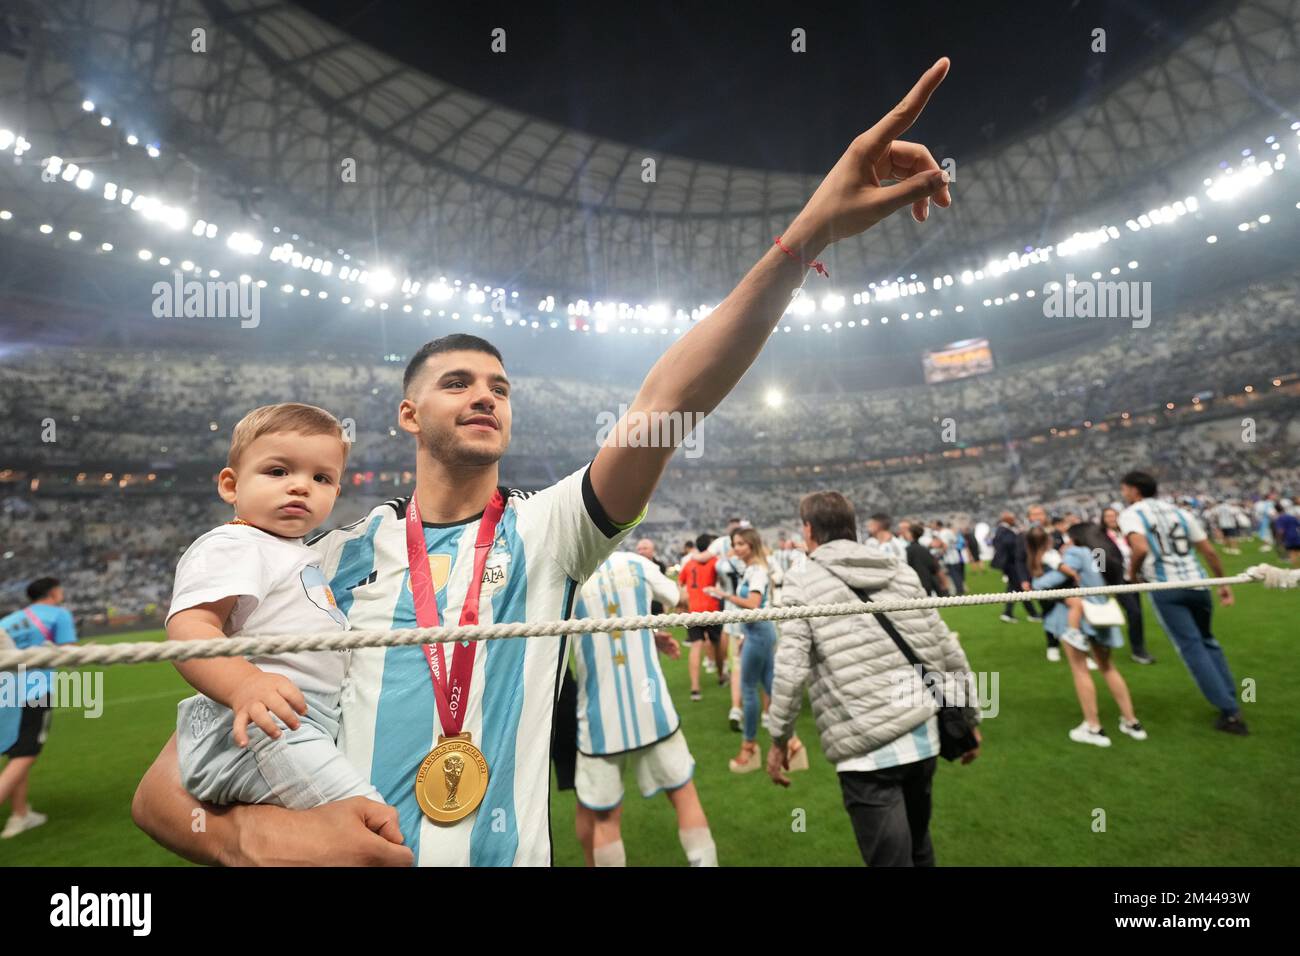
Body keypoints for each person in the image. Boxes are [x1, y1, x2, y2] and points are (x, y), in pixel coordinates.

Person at [130, 56, 957, 865]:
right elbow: (161, 792)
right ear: (409, 415)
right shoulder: (324, 562)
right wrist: (252, 840)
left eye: (499, 385)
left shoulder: (549, 530)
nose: (485, 395)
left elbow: (665, 407)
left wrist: (807, 233)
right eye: (457, 382)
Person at [165, 403, 385, 812]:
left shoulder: (298, 554)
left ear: (335, 494)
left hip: (301, 721)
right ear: (231, 485)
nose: (301, 486)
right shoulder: (233, 544)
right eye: (278, 471)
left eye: (321, 478)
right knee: (369, 821)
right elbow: (191, 627)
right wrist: (243, 684)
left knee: (340, 834)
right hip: (263, 725)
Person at [766, 491, 981, 867]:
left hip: (866, 750)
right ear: (852, 525)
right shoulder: (897, 568)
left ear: (808, 529)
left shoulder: (799, 580)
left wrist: (778, 737)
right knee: (919, 847)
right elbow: (947, 647)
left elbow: (790, 667)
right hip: (923, 737)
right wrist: (970, 717)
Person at [569, 551, 717, 866]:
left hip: (599, 722)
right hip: (653, 711)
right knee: (684, 796)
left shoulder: (571, 572)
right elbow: (682, 600)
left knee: (606, 820)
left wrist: (646, 633)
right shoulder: (636, 565)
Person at [1118, 471, 1248, 736]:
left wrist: (1132, 576)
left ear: (1134, 490)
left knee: (1191, 646)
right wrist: (1223, 583)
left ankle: (1230, 712)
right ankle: (1229, 694)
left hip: (1167, 588)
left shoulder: (1132, 513)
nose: (1123, 494)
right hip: (1199, 584)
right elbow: (1209, 550)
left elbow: (1140, 548)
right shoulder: (1180, 512)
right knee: (1208, 639)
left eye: (1124, 489)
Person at [1027, 525, 1147, 748]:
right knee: (1108, 667)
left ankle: (1093, 727)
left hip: (1080, 619)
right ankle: (1131, 722)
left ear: (1075, 538)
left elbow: (1047, 583)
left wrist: (1035, 582)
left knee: (1080, 670)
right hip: (1101, 614)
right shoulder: (1099, 555)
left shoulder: (1075, 553)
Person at [706, 527, 808, 775]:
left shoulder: (758, 571)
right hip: (757, 632)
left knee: (748, 689)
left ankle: (750, 747)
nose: (736, 547)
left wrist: (724, 595)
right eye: (734, 543)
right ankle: (793, 744)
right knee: (770, 687)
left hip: (759, 632)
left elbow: (753, 604)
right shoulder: (753, 569)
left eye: (741, 543)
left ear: (751, 545)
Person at [0, 577, 78, 838]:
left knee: (16, 750)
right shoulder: (58, 614)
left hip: (4, 690)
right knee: (27, 754)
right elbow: (70, 654)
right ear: (54, 593)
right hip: (34, 690)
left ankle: (20, 815)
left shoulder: (11, 620)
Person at [677, 532, 727, 701]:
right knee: (717, 643)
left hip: (693, 610)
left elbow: (680, 583)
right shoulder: (715, 561)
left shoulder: (689, 563)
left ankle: (695, 688)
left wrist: (683, 603)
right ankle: (721, 676)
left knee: (696, 645)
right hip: (711, 608)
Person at [1102, 506, 1154, 664]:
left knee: (1137, 614)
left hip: (1132, 579)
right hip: (1116, 581)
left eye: (1114, 516)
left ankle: (1138, 646)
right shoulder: (1100, 537)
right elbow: (1098, 562)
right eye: (1108, 517)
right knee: (1134, 612)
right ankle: (1138, 650)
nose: (1112, 519)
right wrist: (1103, 582)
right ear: (1103, 520)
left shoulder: (1125, 535)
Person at [991, 512, 1040, 623]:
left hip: (1011, 564)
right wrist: (1019, 537)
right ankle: (1029, 613)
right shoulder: (1003, 531)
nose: (1014, 520)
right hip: (1011, 565)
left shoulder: (1004, 530)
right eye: (1012, 518)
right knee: (1020, 587)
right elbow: (1008, 545)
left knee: (1016, 588)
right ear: (1007, 519)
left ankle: (1015, 613)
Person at [901, 521, 949, 596]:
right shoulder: (924, 549)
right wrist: (944, 585)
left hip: (916, 584)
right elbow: (935, 567)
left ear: (911, 534)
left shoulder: (908, 550)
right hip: (927, 583)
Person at [1271, 502, 1300, 566]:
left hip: (1288, 538)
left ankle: (1297, 569)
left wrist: (1279, 539)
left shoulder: (1279, 519)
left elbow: (1281, 531)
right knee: (1298, 551)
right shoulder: (1291, 517)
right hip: (1296, 536)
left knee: (1292, 553)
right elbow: (1298, 525)